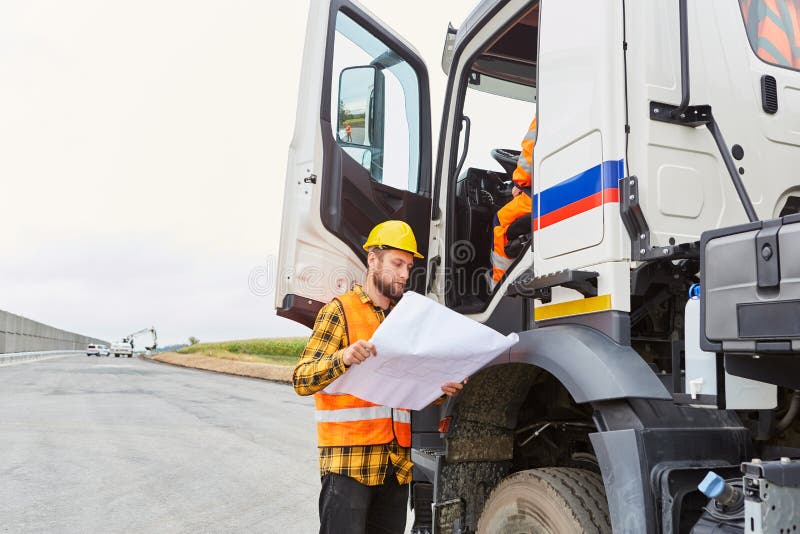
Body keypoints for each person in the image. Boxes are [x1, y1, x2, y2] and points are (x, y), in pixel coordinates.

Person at [293, 220, 464, 534]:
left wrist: (439, 388)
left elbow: (406, 385)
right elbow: (302, 379)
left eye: (409, 267)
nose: (404, 274)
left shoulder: (404, 319)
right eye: (397, 263)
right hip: (349, 465)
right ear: (373, 259)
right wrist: (342, 358)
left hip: (394, 467)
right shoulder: (340, 311)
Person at [490, 116, 537, 288]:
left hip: (541, 196)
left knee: (500, 220)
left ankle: (499, 284)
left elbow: (530, 149)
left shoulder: (546, 108)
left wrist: (519, 183)